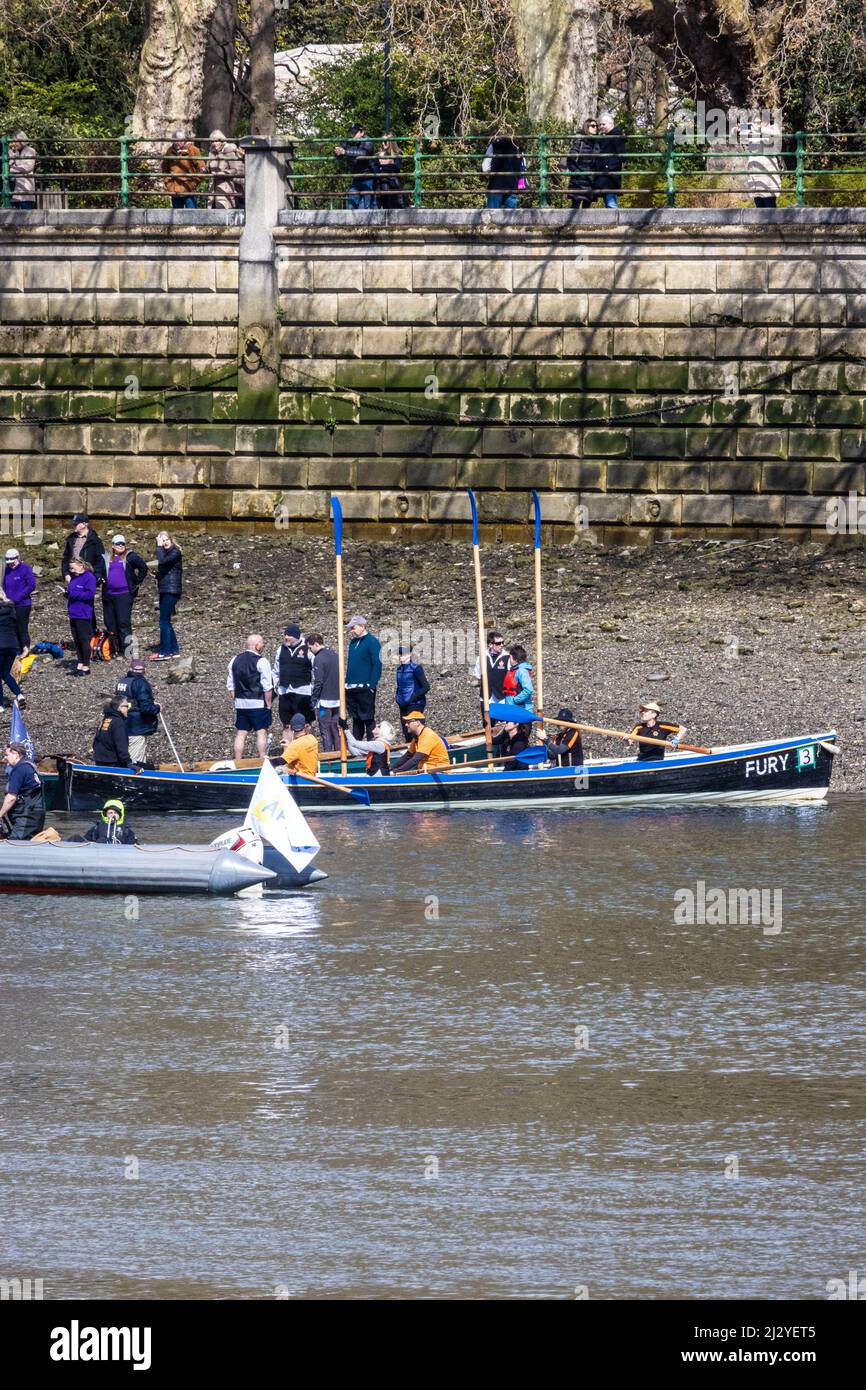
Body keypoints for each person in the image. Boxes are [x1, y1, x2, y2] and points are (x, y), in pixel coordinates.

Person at [98, 534, 148, 660]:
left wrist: (136, 582)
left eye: (122, 543)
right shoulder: (106, 558)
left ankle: (128, 651)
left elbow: (143, 568)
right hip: (109, 595)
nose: (120, 546)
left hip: (124, 595)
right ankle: (115, 650)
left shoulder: (130, 556)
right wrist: (99, 578)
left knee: (123, 623)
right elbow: (98, 571)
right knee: (110, 623)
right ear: (113, 545)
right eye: (118, 543)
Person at [227, 634, 274, 762]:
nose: (263, 645)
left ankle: (238, 761)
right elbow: (267, 686)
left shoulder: (235, 659)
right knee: (261, 731)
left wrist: (236, 698)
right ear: (257, 645)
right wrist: (268, 704)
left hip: (241, 702)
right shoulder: (262, 661)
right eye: (262, 643)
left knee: (241, 733)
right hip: (258, 702)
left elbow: (230, 684)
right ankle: (262, 759)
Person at [115, 657, 160, 765]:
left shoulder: (121, 682)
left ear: (130, 668)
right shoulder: (141, 683)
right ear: (144, 669)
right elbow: (146, 708)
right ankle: (135, 772)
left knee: (124, 754)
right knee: (136, 760)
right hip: (136, 726)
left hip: (122, 724)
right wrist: (157, 708)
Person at [345, 615, 381, 740]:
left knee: (368, 717)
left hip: (365, 686)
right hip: (351, 686)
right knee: (356, 718)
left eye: (353, 628)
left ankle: (372, 745)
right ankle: (357, 745)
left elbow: (377, 663)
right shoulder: (353, 642)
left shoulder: (372, 642)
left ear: (362, 626)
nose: (351, 631)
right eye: (350, 628)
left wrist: (372, 684)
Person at [272, 624, 315, 729]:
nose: (286, 637)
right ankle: (288, 740)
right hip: (285, 691)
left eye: (289, 635)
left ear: (296, 636)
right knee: (287, 724)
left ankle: (308, 740)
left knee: (305, 724)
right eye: (285, 635)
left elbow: (316, 669)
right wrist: (271, 687)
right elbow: (276, 671)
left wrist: (316, 689)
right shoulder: (281, 649)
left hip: (303, 692)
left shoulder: (307, 648)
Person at [0, 742, 44, 840]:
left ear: (16, 754)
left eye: (7, 755)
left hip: (27, 817)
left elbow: (11, 798)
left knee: (15, 842)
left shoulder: (19, 770)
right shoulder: (29, 766)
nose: (5, 758)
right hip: (35, 814)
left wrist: (0, 814)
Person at [152, 530, 182, 660]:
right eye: (162, 541)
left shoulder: (175, 552)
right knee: (167, 621)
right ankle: (174, 650)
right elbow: (169, 570)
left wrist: (158, 546)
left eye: (166, 540)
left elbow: (163, 561)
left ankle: (164, 652)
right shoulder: (167, 553)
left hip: (171, 590)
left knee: (163, 621)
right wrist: (158, 575)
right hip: (166, 588)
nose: (164, 543)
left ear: (171, 539)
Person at [308, 632, 340, 753]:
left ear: (316, 644)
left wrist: (313, 699)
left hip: (324, 702)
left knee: (325, 729)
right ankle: (339, 752)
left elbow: (319, 681)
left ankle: (328, 755)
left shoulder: (318, 658)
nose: (310, 651)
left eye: (310, 648)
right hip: (337, 699)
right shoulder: (334, 654)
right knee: (335, 727)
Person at [65, 559, 97, 676]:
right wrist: (67, 594)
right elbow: (72, 592)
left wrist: (72, 594)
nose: (71, 570)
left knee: (83, 639)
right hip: (73, 612)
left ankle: (86, 666)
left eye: (73, 568)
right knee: (76, 639)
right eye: (70, 568)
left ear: (81, 566)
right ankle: (80, 663)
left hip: (83, 613)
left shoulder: (89, 577)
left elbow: (89, 595)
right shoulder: (74, 577)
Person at [2, 549, 36, 656]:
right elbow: (4, 585)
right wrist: (4, 598)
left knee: (22, 628)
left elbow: (31, 585)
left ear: (18, 558)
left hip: (23, 604)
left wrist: (16, 598)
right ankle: (16, 650)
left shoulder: (25, 569)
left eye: (12, 561)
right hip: (9, 604)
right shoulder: (6, 570)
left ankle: (25, 650)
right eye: (8, 561)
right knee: (12, 628)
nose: (10, 563)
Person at [744, 117, 782, 209]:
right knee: (758, 203)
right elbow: (734, 135)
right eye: (754, 122)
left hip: (767, 173)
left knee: (769, 203)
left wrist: (761, 128)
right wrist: (736, 130)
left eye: (758, 122)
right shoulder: (751, 132)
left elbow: (777, 134)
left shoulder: (771, 129)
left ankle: (772, 218)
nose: (756, 124)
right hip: (754, 172)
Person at [335, 124, 375, 209]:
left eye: (354, 133)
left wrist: (345, 152)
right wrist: (338, 151)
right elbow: (340, 154)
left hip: (367, 178)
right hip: (356, 179)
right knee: (351, 207)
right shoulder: (348, 141)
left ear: (362, 132)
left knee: (365, 208)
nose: (352, 135)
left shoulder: (368, 141)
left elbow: (364, 153)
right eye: (351, 133)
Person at [162, 131, 205, 209]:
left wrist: (193, 183)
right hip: (175, 190)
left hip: (189, 188)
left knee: (191, 214)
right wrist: (169, 184)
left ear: (185, 140)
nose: (178, 142)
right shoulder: (170, 151)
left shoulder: (193, 150)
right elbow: (165, 168)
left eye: (180, 140)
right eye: (175, 140)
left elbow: (202, 168)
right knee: (176, 214)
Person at [394, 643, 430, 738]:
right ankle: (410, 746)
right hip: (403, 703)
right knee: (406, 731)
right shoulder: (399, 669)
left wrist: (413, 697)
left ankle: (421, 745)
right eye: (399, 653)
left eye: (403, 653)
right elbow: (399, 686)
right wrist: (397, 698)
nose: (400, 656)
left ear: (409, 654)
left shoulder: (416, 668)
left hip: (415, 703)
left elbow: (426, 687)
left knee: (415, 731)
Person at [564, 119, 600, 209]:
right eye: (593, 126)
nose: (595, 128)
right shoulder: (580, 141)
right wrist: (578, 173)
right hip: (579, 180)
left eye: (596, 126)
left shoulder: (597, 143)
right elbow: (570, 160)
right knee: (575, 206)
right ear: (586, 127)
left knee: (587, 207)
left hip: (591, 180)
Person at [482, 135, 524, 209]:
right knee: (510, 215)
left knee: (492, 214)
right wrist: (520, 185)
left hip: (495, 186)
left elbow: (485, 168)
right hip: (512, 187)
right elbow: (522, 168)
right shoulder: (518, 148)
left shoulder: (494, 145)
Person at [473, 631, 510, 717]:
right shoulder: (482, 657)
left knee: (502, 721)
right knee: (487, 722)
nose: (501, 645)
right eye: (498, 643)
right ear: (490, 644)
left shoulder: (507, 657)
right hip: (486, 697)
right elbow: (478, 675)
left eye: (502, 642)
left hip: (501, 697)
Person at [61, 513, 105, 584]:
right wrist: (66, 573)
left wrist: (95, 576)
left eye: (76, 524)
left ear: (84, 524)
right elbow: (65, 558)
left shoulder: (95, 540)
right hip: (72, 576)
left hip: (88, 577)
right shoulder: (71, 539)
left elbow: (100, 560)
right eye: (73, 523)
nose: (73, 525)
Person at [92, 696, 134, 768]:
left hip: (100, 759)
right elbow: (121, 744)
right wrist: (128, 762)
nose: (128, 709)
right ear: (119, 707)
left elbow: (96, 741)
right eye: (127, 706)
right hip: (113, 762)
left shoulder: (105, 719)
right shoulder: (118, 722)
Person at [594, 112, 625, 209]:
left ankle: (615, 218)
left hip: (610, 173)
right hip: (605, 173)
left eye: (603, 124)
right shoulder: (605, 137)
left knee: (611, 201)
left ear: (611, 124)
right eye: (599, 125)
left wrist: (609, 167)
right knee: (608, 199)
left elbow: (621, 155)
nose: (601, 127)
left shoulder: (616, 135)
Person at [208, 130, 244, 209]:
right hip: (213, 188)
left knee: (223, 211)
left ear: (222, 141)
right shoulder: (212, 152)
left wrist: (220, 174)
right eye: (212, 141)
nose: (214, 143)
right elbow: (209, 166)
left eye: (216, 141)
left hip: (225, 187)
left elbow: (235, 170)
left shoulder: (229, 151)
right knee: (213, 211)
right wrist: (205, 169)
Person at [0, 591, 24, 709]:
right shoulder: (11, 609)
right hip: (12, 645)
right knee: (5, 673)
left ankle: (0, 705)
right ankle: (19, 695)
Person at [279, 713, 320, 778]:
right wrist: (290, 746)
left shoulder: (295, 745)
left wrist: (267, 761)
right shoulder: (312, 739)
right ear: (305, 726)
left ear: (291, 728)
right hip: (312, 777)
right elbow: (302, 750)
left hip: (301, 779)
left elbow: (280, 762)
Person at [373, 139, 409, 208]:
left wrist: (382, 165)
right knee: (384, 186)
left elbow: (397, 167)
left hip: (394, 181)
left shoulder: (398, 153)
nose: (383, 143)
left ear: (391, 142)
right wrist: (390, 163)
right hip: (382, 182)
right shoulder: (377, 155)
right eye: (382, 141)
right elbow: (375, 169)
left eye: (385, 142)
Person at [502, 644, 534, 711]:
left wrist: (516, 700)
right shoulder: (515, 669)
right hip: (512, 707)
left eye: (510, 658)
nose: (509, 660)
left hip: (521, 708)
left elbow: (528, 690)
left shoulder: (522, 671)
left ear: (515, 659)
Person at [9, 132, 37, 209]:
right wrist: (12, 155)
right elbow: (8, 165)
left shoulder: (30, 151)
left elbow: (27, 167)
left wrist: (12, 168)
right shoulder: (13, 151)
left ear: (22, 141)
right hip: (14, 191)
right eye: (13, 141)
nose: (14, 144)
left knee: (26, 213)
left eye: (16, 142)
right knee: (14, 214)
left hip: (26, 188)